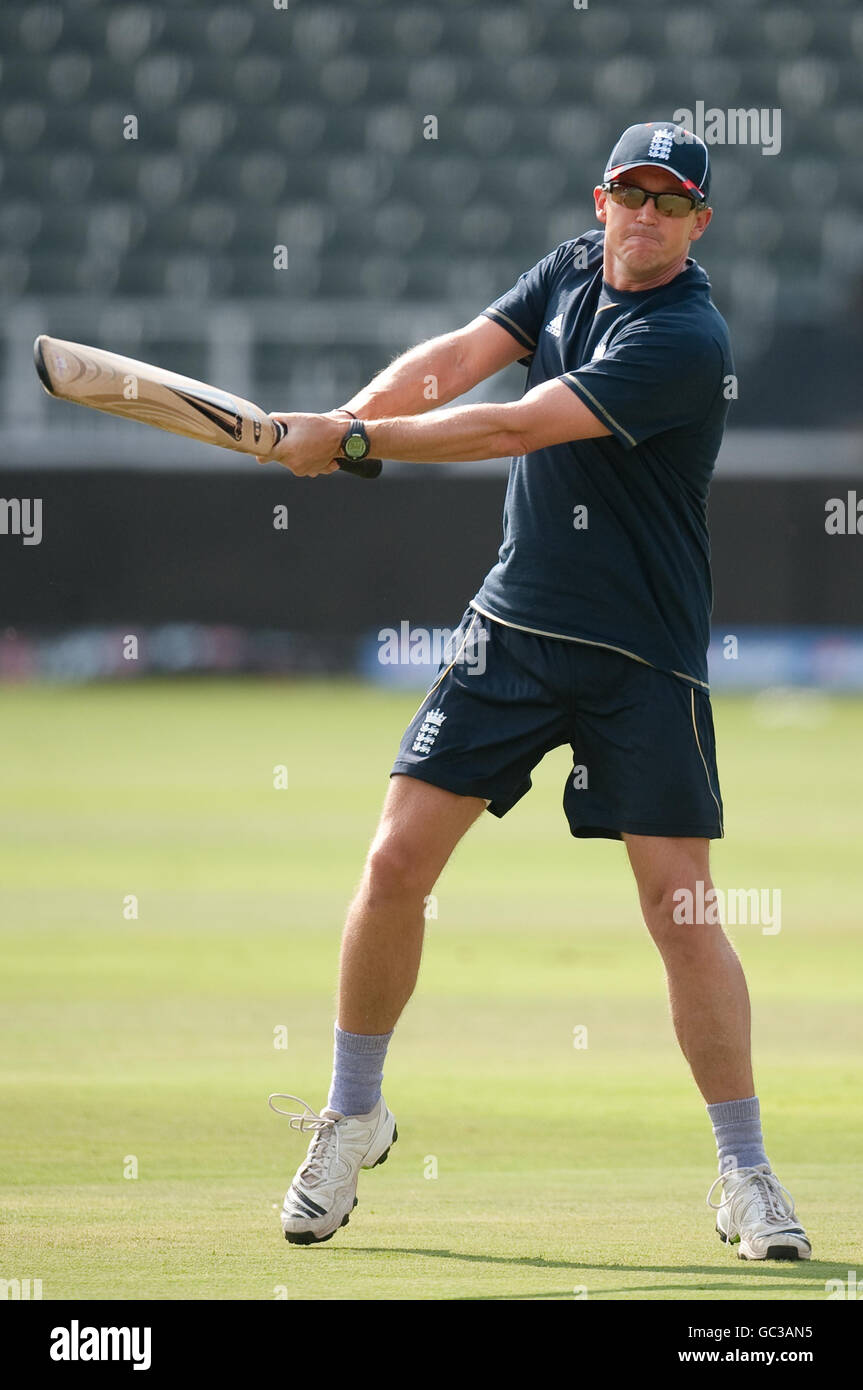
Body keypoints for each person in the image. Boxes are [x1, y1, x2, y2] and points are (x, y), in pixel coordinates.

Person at [261, 122, 810, 1260]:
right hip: (508, 630)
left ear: (699, 222)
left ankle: (745, 1174)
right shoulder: (567, 266)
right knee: (392, 862)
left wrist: (355, 443)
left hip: (639, 653)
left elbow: (513, 420)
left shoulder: (685, 334)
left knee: (682, 912)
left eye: (670, 201)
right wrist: (342, 420)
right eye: (629, 194)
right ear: (598, 198)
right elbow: (453, 362)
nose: (644, 215)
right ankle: (351, 1115)